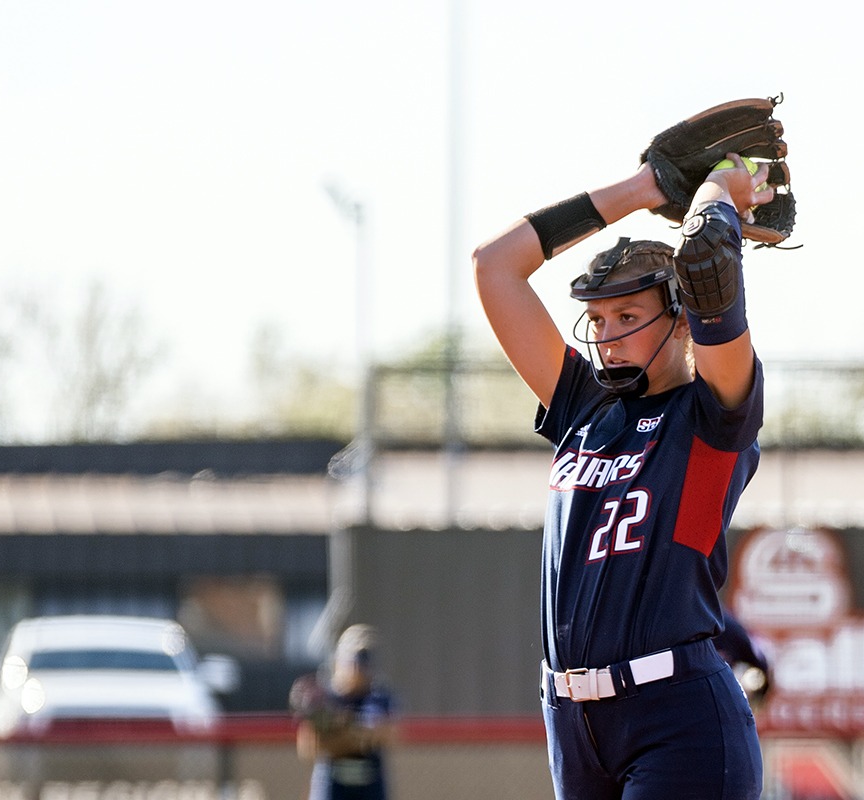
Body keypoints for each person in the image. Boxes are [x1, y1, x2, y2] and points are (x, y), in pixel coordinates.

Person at [471, 151, 775, 798]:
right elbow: (495, 266)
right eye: (600, 320)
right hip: (572, 722)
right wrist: (642, 188)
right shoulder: (585, 405)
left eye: (629, 317)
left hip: (678, 715)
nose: (608, 337)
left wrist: (722, 183)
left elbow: (707, 260)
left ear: (683, 319)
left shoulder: (712, 412)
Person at [296, 624, 396, 800]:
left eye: (364, 660)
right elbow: (308, 747)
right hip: (332, 788)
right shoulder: (324, 697)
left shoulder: (379, 697)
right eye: (354, 660)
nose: (359, 668)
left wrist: (338, 732)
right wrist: (356, 737)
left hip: (370, 789)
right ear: (338, 660)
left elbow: (386, 733)